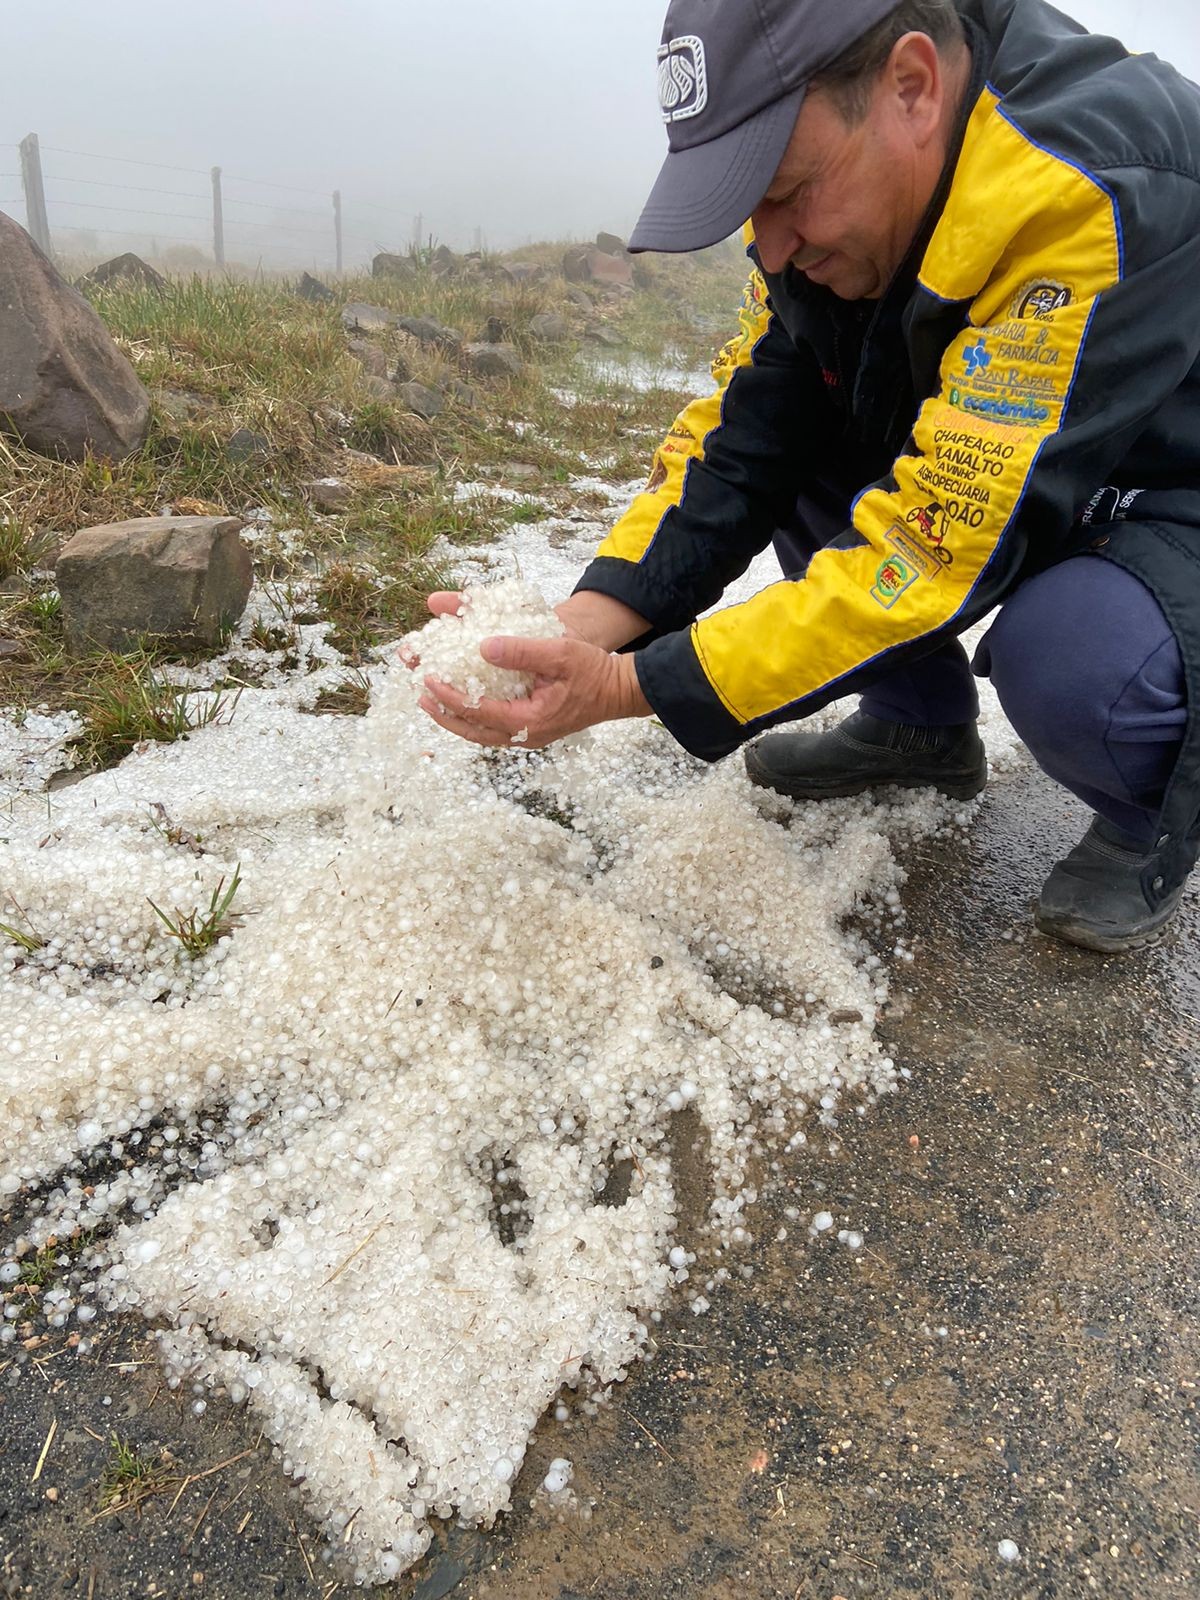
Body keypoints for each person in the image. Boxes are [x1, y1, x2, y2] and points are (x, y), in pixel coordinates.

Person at [417, 0, 1200, 955]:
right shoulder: (820, 224)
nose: (772, 246)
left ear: (910, 87)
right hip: (1029, 473)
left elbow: (930, 545)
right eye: (751, 207)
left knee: (1077, 661)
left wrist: (632, 688)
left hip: (1167, 497)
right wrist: (580, 624)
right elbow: (742, 439)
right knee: (812, 427)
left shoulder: (1087, 187)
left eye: (787, 190)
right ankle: (919, 732)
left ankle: (1148, 807)